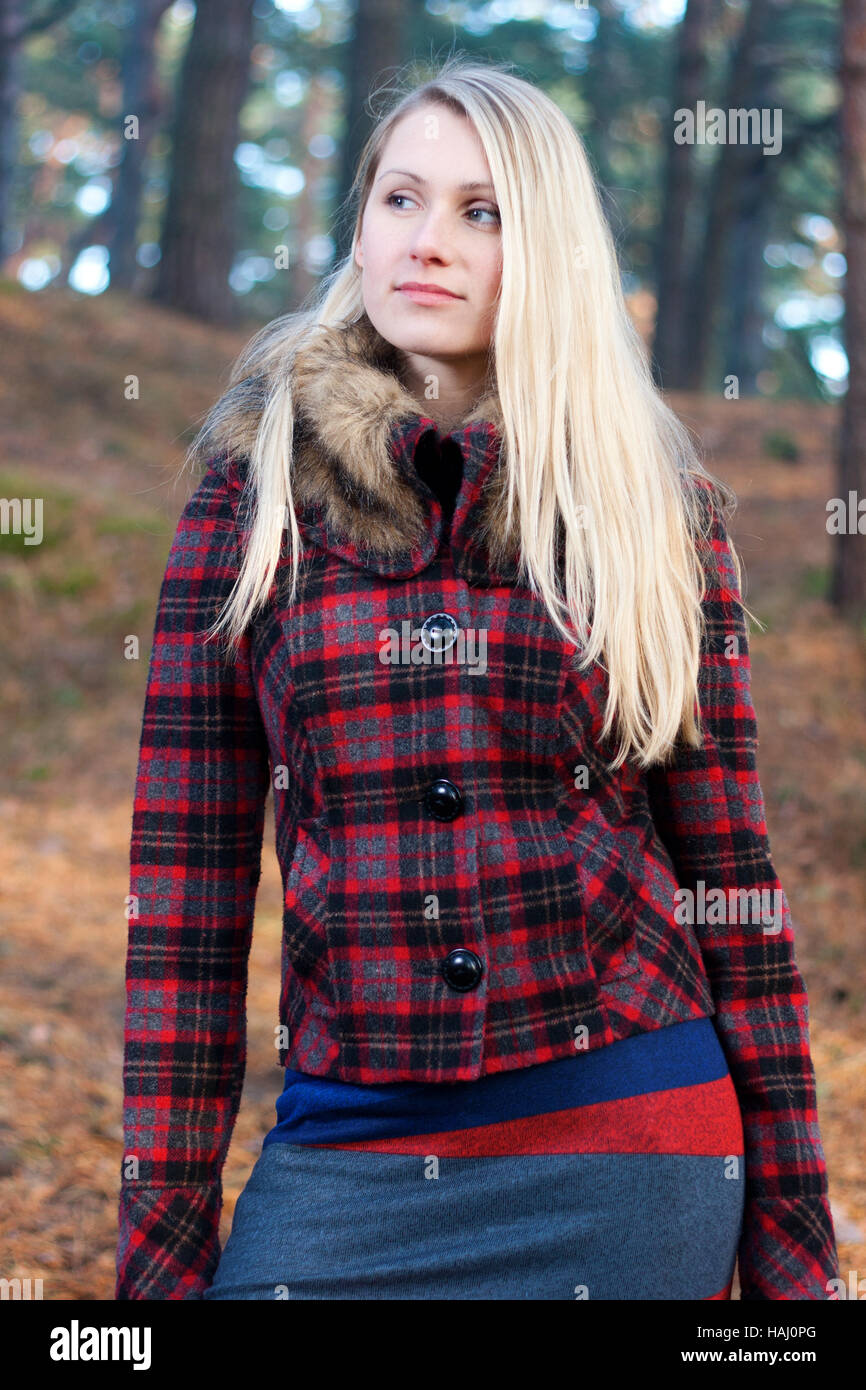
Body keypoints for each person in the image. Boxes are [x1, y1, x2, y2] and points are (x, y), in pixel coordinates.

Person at [115, 57, 839, 1301]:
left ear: (542, 248)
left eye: (479, 210)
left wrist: (792, 1257)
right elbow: (183, 908)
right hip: (350, 1142)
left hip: (630, 1132)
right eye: (400, 199)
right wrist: (162, 1254)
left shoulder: (649, 512)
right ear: (360, 224)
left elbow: (732, 883)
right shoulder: (249, 504)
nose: (426, 242)